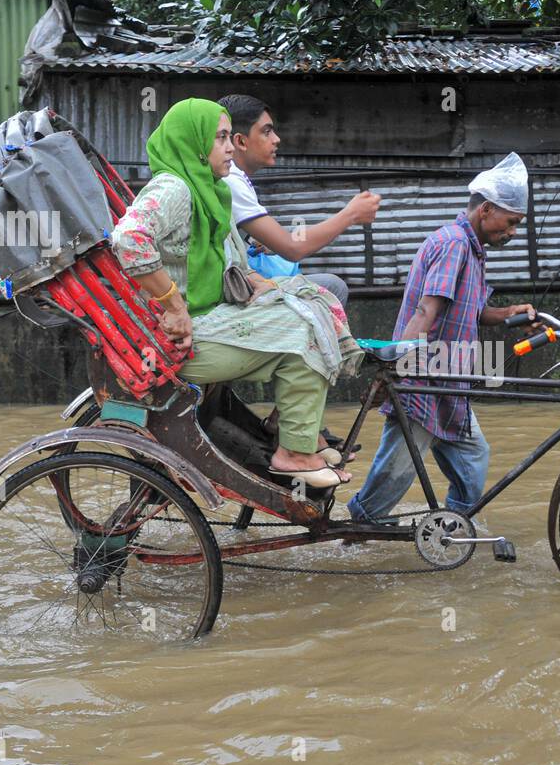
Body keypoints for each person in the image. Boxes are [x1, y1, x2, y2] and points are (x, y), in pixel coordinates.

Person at [109, 98, 362, 489]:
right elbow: (128, 239)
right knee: (304, 330)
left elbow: (219, 260)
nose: (230, 147)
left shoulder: (207, 187)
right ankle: (292, 451)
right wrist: (173, 305)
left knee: (312, 302)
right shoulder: (175, 187)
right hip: (178, 337)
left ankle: (299, 434)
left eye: (230, 137)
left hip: (208, 318)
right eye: (221, 138)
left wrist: (255, 282)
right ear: (193, 143)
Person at [347, 153, 537, 523]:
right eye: (511, 222)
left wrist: (509, 313)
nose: (513, 232)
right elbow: (425, 312)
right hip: (422, 381)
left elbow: (474, 312)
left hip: (449, 381)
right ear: (485, 210)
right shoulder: (453, 244)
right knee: (396, 474)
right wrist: (397, 371)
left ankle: (456, 530)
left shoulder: (472, 250)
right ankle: (360, 528)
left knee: (474, 456)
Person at [217, 93, 379, 308]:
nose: (276, 139)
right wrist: (349, 215)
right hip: (235, 289)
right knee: (333, 286)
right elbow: (292, 247)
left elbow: (285, 239)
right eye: (267, 131)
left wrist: (269, 242)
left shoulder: (237, 177)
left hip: (245, 280)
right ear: (241, 141)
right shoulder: (231, 180)